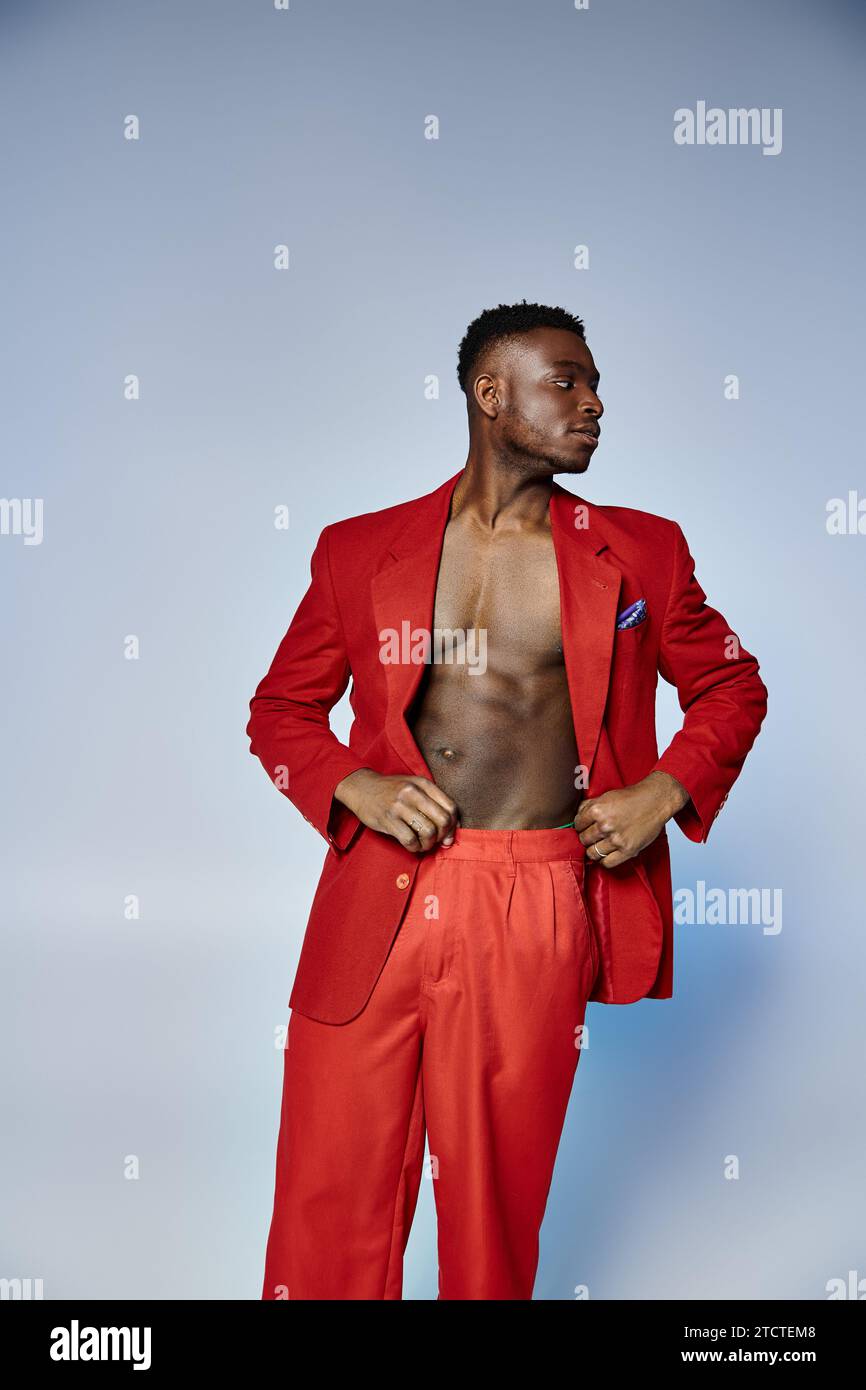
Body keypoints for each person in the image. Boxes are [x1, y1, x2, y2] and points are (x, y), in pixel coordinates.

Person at [246, 299, 768, 1300]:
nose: (595, 403)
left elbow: (731, 683)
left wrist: (662, 788)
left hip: (532, 895)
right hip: (376, 901)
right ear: (492, 394)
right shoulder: (358, 551)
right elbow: (280, 710)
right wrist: (352, 780)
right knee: (328, 1191)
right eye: (566, 380)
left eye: (594, 382)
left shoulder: (641, 553)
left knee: (491, 1204)